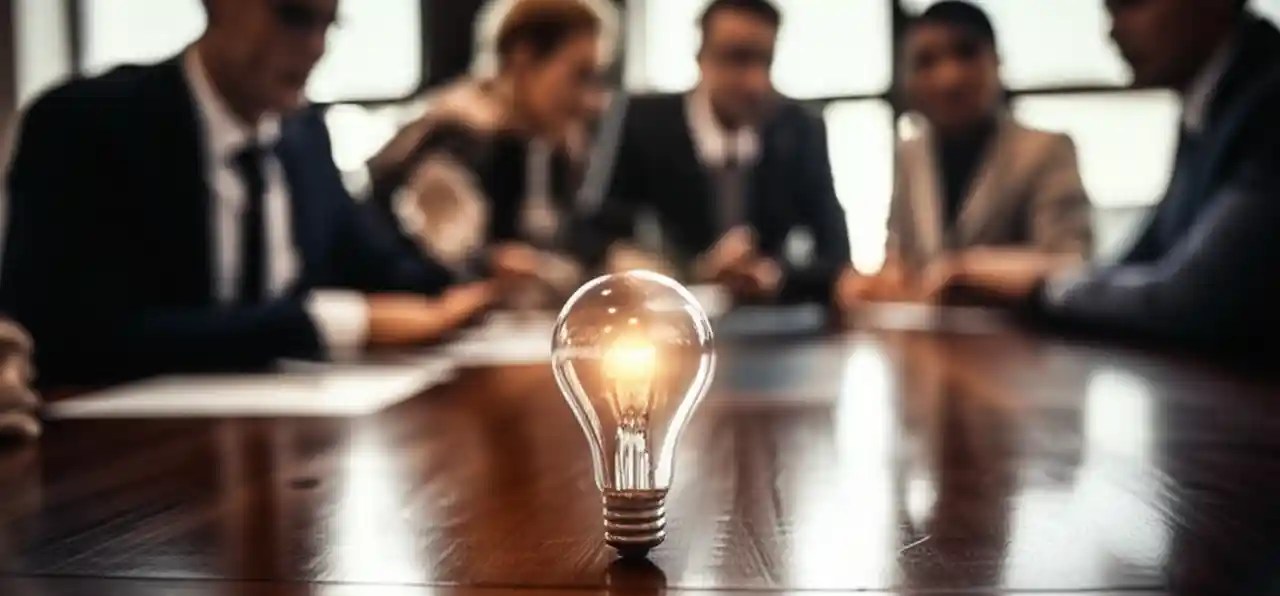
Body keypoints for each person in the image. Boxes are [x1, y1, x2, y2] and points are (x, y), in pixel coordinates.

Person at [0, 0, 495, 382]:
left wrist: (474, 270)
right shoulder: (85, 124)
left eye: (329, 25)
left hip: (287, 442)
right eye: (294, 16)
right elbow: (68, 334)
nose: (316, 47)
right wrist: (324, 324)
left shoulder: (304, 135)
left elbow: (378, 267)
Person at [993, 0, 1278, 350]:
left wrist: (1041, 288)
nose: (1112, 31)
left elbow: (1192, 301)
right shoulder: (1211, 105)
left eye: (1131, 3)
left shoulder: (1267, 101)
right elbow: (1141, 260)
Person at [593, 0, 850, 305]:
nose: (755, 82)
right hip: (668, 315)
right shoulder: (643, 122)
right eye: (737, 58)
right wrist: (680, 273)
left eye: (765, 61)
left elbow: (837, 255)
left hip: (769, 321)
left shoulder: (800, 129)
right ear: (701, 58)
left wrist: (775, 275)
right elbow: (594, 232)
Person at [840, 1, 1093, 306]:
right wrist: (874, 282)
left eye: (966, 53)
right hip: (926, 332)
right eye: (926, 62)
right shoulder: (910, 154)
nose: (949, 78)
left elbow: (1070, 264)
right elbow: (899, 258)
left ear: (996, 61)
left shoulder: (1046, 150)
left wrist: (965, 271)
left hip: (1016, 332)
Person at [367, 0, 615, 309]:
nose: (594, 101)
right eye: (580, 76)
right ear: (523, 59)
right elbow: (438, 272)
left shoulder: (546, 147)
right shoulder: (454, 140)